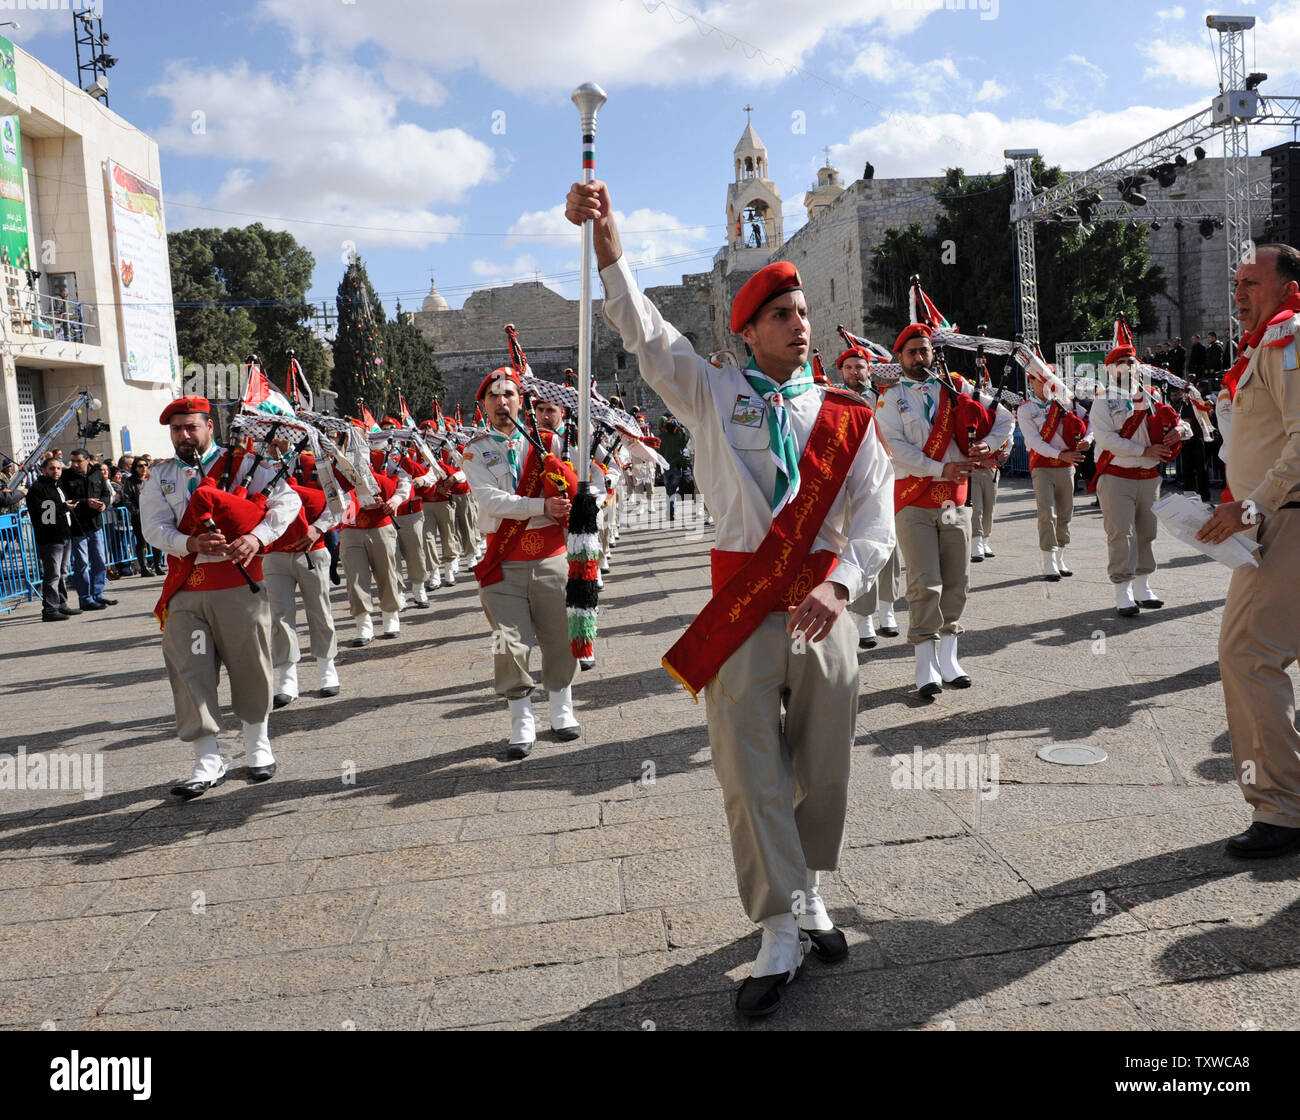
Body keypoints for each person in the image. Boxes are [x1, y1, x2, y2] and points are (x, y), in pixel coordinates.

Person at [568, 179, 895, 1017]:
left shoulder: (849, 418)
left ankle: (811, 889)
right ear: (744, 331)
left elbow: (875, 520)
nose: (800, 322)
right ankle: (777, 926)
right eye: (779, 313)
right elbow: (644, 330)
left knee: (821, 768)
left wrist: (840, 583)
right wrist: (609, 239)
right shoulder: (713, 393)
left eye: (802, 311)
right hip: (743, 610)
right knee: (750, 774)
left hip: (825, 610)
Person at [139, 397, 301, 799]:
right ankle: (207, 758)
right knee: (190, 671)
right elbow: (153, 528)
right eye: (176, 429)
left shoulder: (244, 464)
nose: (184, 436)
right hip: (186, 587)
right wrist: (189, 540)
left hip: (238, 584)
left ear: (210, 426)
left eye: (191, 427)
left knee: (250, 663)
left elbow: (288, 500)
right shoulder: (160, 476)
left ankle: (257, 743)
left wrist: (255, 536)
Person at [1196, 243, 1300, 859]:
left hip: (1282, 521)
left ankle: (1283, 809)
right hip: (1273, 517)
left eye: (1252, 284)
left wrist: (1250, 507)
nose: (1239, 294)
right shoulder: (1271, 342)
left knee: (1245, 655)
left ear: (1287, 287)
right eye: (1236, 283)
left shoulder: (1287, 340)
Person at [876, 324, 1014, 699]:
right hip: (914, 501)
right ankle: (925, 663)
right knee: (924, 582)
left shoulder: (957, 388)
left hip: (954, 501)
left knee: (957, 580)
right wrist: (940, 468)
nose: (920, 358)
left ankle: (950, 659)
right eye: (912, 353)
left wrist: (987, 445)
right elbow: (897, 449)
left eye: (924, 351)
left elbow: (1004, 418)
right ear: (899, 358)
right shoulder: (889, 400)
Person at [461, 367, 581, 757]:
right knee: (508, 642)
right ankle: (521, 717)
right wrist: (540, 504)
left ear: (521, 401)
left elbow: (578, 488)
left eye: (509, 394)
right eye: (493, 397)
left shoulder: (549, 444)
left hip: (550, 557)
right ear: (483, 405)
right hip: (503, 560)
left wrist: (567, 480)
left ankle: (561, 705)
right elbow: (490, 500)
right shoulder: (475, 450)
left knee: (561, 635)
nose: (501, 402)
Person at [1088, 342, 1190, 618]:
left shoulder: (1154, 396)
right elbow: (1107, 440)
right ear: (1110, 369)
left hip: (1148, 476)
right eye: (1121, 363)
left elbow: (1181, 424)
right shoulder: (1103, 399)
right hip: (1117, 475)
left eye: (1132, 362)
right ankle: (1123, 589)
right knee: (1121, 533)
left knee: (1147, 533)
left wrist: (1180, 430)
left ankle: (1143, 586)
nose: (1128, 367)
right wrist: (1143, 450)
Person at [265, 446, 341, 708]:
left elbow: (339, 500)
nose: (275, 439)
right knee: (280, 616)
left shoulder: (313, 462)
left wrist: (317, 528)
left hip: (312, 549)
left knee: (319, 610)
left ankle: (326, 667)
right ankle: (287, 677)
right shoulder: (256, 466)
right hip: (274, 552)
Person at [837, 347, 903, 648]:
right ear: (842, 371)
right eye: (849, 367)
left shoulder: (886, 400)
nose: (855, 372)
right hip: (851, 481)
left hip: (886, 477)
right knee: (857, 543)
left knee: (888, 543)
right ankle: (864, 617)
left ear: (869, 370)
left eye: (860, 367)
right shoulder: (836, 401)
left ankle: (888, 609)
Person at [1018, 364, 1090, 581]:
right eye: (1040, 379)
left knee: (1065, 512)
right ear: (1031, 381)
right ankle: (1049, 559)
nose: (1047, 383)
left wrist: (1088, 439)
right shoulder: (1026, 409)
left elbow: (1091, 421)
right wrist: (1061, 455)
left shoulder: (1067, 403)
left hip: (1066, 466)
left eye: (1050, 378)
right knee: (1047, 512)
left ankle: (1060, 557)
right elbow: (1033, 442)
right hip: (1042, 465)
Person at [25, 456, 78, 621]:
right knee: (52, 574)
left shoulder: (59, 486)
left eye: (58, 468)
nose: (56, 471)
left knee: (63, 572)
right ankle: (50, 609)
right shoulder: (38, 489)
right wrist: (63, 507)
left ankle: (61, 604)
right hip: (50, 538)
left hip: (65, 535)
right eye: (52, 468)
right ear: (44, 470)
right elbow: (45, 514)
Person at [62, 449, 115, 611]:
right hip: (78, 527)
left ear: (87, 461)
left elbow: (106, 493)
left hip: (96, 524)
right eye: (72, 461)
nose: (75, 464)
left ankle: (97, 594)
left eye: (78, 461)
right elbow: (65, 499)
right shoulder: (66, 477)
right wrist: (86, 502)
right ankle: (85, 599)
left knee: (100, 561)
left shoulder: (97, 474)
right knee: (82, 563)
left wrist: (104, 504)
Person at [120, 457, 165, 577]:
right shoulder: (130, 481)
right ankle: (144, 568)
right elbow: (127, 498)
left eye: (145, 465)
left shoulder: (152, 478)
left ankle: (158, 565)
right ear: (135, 468)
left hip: (154, 514)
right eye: (140, 466)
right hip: (139, 516)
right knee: (141, 542)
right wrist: (136, 511)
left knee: (156, 540)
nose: (143, 468)